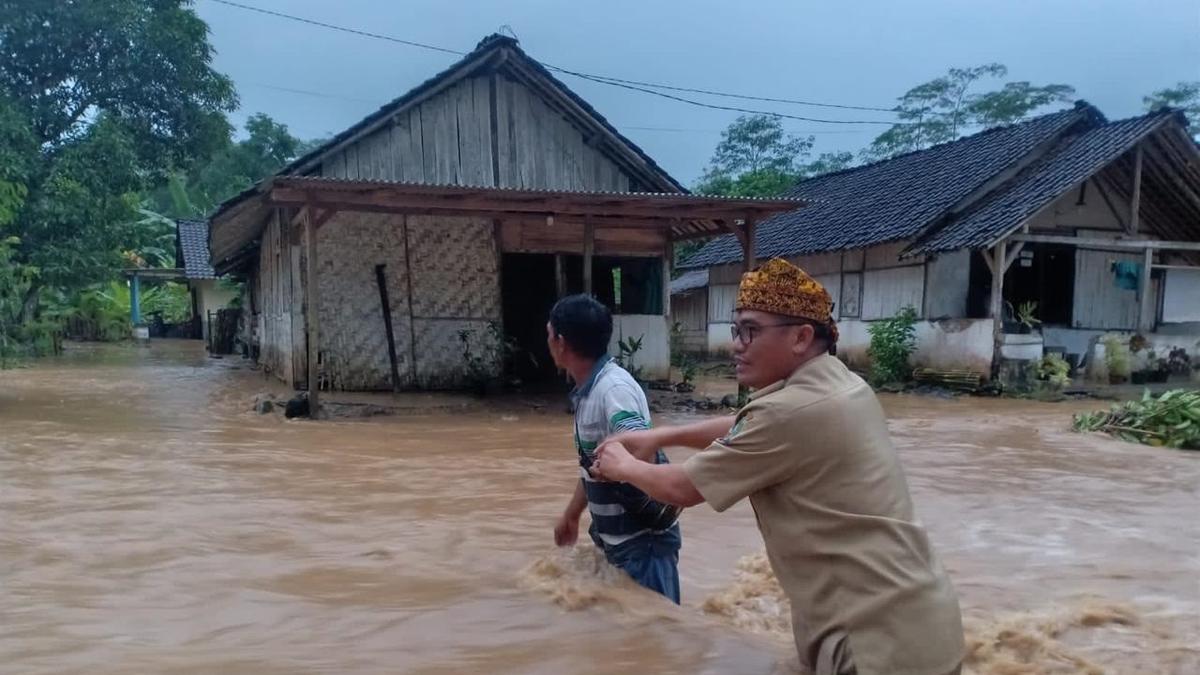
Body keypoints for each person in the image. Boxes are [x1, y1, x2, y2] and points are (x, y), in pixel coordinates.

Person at [591, 259, 964, 675]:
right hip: (914, 619)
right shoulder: (841, 385)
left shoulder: (789, 412)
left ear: (802, 337)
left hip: (874, 641)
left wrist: (622, 464)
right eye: (736, 331)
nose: (736, 344)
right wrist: (661, 436)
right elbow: (747, 423)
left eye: (750, 330)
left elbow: (682, 487)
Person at [547, 294, 682, 603]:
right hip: (617, 542)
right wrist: (571, 515)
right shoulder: (589, 391)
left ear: (561, 342)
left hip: (642, 545)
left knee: (654, 640)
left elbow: (639, 451)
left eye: (549, 334)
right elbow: (593, 466)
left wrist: (611, 467)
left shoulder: (614, 389)